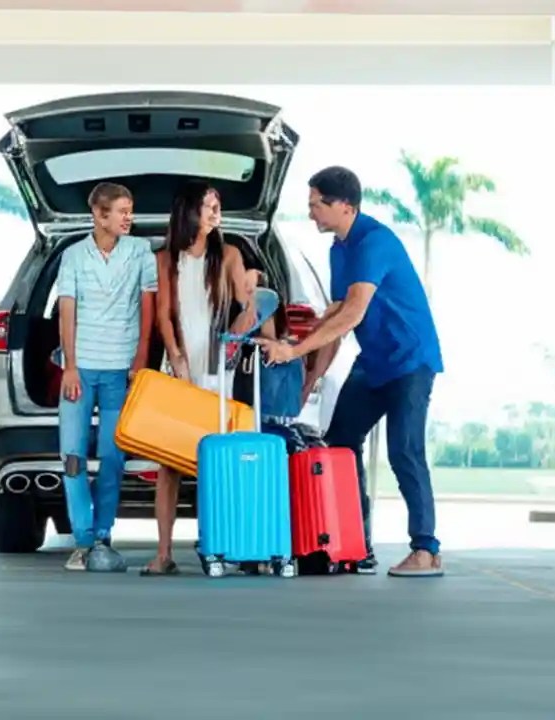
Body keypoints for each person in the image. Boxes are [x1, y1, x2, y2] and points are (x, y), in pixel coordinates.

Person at [258, 166, 445, 577]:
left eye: (316, 205)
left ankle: (426, 550)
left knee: (404, 450)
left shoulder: (373, 242)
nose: (310, 214)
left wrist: (292, 351)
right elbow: (336, 320)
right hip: (375, 362)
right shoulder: (338, 250)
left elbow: (355, 310)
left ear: (344, 205)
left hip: (410, 360)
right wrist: (311, 377)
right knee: (339, 442)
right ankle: (354, 543)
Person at [141, 181, 255, 577]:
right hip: (180, 372)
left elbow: (249, 305)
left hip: (218, 375)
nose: (214, 211)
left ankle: (220, 546)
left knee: (217, 462)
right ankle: (164, 552)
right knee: (168, 464)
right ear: (188, 210)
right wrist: (176, 360)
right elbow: (163, 317)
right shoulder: (165, 259)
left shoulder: (229, 255)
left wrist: (236, 335)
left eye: (217, 204)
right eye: (207, 204)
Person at [55, 182, 158, 572]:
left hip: (120, 369)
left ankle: (102, 536)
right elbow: (68, 309)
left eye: (130, 210)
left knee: (113, 457)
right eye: (121, 211)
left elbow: (148, 308)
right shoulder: (73, 256)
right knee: (73, 457)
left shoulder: (141, 252)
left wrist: (141, 359)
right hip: (80, 369)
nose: (128, 217)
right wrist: (70, 365)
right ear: (99, 215)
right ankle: (82, 540)